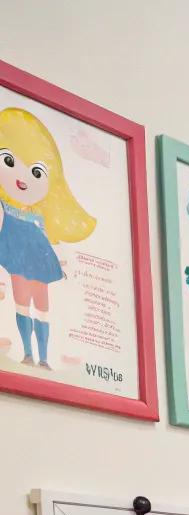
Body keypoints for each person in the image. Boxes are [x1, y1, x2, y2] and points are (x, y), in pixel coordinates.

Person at [0, 107, 96, 369]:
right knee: (22, 304)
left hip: (38, 256)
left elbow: (47, 237)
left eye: (36, 172)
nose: (21, 177)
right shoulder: (6, 205)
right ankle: (28, 354)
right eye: (9, 162)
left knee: (41, 305)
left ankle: (42, 357)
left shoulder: (41, 213)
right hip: (14, 254)